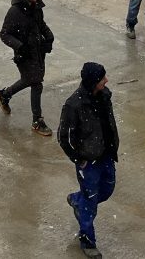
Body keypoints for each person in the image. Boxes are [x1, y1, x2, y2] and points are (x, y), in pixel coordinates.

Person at [58, 62, 119, 259]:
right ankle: (87, 241)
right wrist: (78, 159)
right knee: (90, 204)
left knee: (107, 190)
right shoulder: (73, 105)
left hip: (107, 155)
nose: (106, 81)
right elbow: (64, 137)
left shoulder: (105, 95)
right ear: (93, 82)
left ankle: (78, 200)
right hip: (89, 162)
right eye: (102, 79)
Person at [0, 0, 55, 136]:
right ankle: (37, 121)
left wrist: (49, 37)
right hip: (25, 54)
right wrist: (20, 47)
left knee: (31, 80)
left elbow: (41, 24)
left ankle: (4, 95)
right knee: (36, 83)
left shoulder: (36, 6)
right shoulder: (15, 12)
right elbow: (4, 34)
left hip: (38, 51)